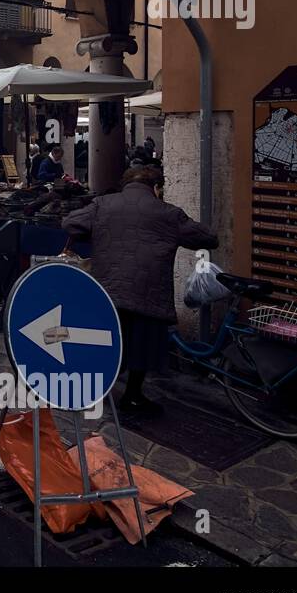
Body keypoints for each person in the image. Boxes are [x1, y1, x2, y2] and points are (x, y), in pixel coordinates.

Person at [62, 166, 218, 416]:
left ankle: (89, 390)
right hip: (147, 293)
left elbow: (70, 223)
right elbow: (209, 237)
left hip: (108, 291)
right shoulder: (168, 213)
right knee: (141, 348)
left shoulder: (103, 204)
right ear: (157, 188)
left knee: (106, 342)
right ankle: (132, 396)